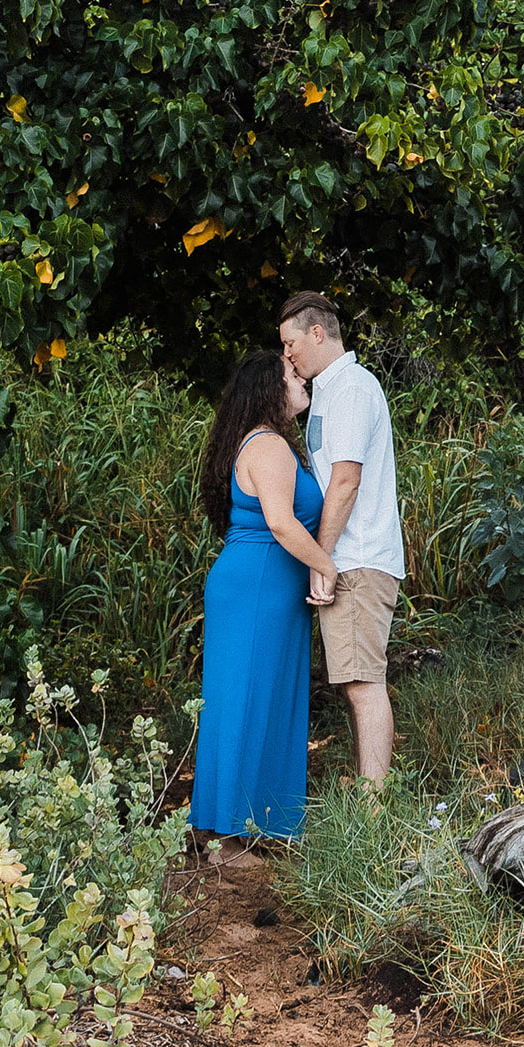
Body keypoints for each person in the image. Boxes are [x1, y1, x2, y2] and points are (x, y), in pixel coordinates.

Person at [189, 351, 337, 859]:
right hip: (257, 586)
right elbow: (280, 522)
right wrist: (326, 564)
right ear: (271, 390)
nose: (303, 382)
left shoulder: (263, 440)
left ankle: (243, 825)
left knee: (257, 698)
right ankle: (229, 840)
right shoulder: (269, 444)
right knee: (247, 700)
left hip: (260, 584)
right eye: (294, 377)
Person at [278, 290, 404, 789]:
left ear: (316, 332)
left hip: (356, 558)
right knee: (355, 682)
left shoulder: (351, 387)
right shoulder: (329, 390)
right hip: (347, 557)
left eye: (290, 343)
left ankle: (374, 808)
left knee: (363, 684)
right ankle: (369, 795)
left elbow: (345, 482)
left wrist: (321, 560)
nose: (287, 355)